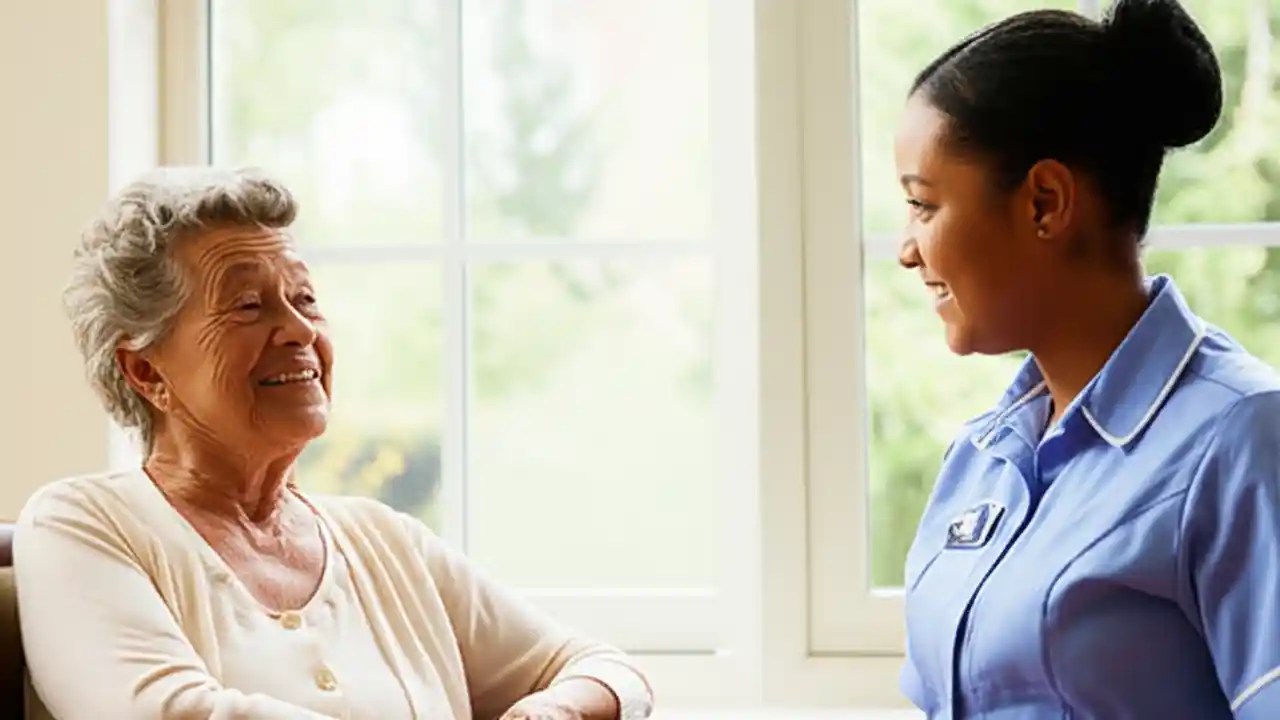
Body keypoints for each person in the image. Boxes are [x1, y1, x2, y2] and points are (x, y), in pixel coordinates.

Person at [14, 168, 654, 720]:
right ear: (147, 371)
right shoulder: (81, 525)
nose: (297, 329)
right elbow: (165, 713)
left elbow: (599, 666)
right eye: (247, 306)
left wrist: (553, 707)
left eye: (304, 298)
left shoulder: (384, 542)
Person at [895, 0, 1280, 718]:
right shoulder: (979, 459)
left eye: (924, 206)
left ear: (1044, 202)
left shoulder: (1244, 439)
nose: (906, 250)